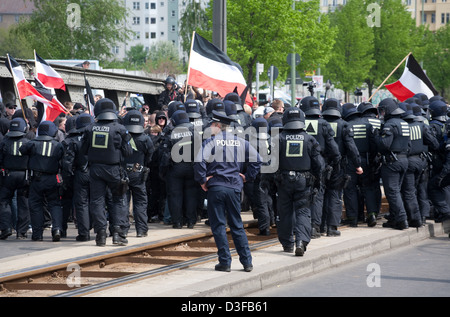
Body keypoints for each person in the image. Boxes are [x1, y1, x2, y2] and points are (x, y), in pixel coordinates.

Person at [194, 110, 262, 272]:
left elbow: (199, 162)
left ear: (218, 126)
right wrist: (246, 177)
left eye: (212, 125)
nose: (210, 127)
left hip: (216, 187)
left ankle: (225, 262)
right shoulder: (241, 142)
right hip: (234, 187)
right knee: (237, 225)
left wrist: (203, 180)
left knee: (218, 225)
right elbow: (257, 161)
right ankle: (247, 262)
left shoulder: (210, 142)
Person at [80, 98, 133, 246]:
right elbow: (128, 153)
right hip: (114, 169)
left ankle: (100, 235)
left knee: (97, 201)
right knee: (118, 200)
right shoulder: (120, 129)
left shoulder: (89, 128)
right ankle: (118, 234)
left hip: (95, 169)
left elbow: (82, 150)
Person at [274, 107, 325, 256]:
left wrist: (269, 182)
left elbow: (269, 163)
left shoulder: (278, 138)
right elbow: (319, 164)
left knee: (285, 213)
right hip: (304, 181)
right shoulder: (309, 138)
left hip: (283, 182)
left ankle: (287, 244)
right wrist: (317, 181)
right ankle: (301, 241)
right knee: (303, 211)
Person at [299, 96, 340, 238]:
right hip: (320, 163)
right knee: (318, 195)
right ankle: (315, 228)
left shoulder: (299, 122)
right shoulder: (324, 124)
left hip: (302, 163)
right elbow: (333, 147)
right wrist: (336, 161)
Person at [19, 121, 65, 241]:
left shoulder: (32, 143)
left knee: (36, 206)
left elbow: (22, 150)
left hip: (36, 179)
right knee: (54, 204)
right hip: (52, 178)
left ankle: (37, 234)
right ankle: (57, 229)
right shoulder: (58, 145)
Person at [398, 103, 438, 228]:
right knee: (422, 189)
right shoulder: (422, 126)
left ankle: (414, 218)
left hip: (408, 161)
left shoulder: (403, 126)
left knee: (409, 191)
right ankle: (423, 215)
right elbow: (435, 144)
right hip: (423, 161)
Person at [342, 103, 379, 227]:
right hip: (366, 160)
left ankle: (353, 218)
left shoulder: (346, 126)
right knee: (368, 188)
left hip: (350, 161)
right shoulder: (368, 126)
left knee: (350, 190)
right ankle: (371, 214)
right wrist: (372, 160)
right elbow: (374, 145)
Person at [160, 110, 199, 228]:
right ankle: (191, 221)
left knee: (175, 195)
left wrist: (163, 171)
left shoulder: (171, 132)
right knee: (191, 195)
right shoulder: (194, 131)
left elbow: (165, 154)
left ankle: (177, 222)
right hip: (191, 166)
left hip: (175, 167)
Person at [375, 98, 410, 230]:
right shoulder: (404, 123)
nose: (382, 113)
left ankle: (402, 220)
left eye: (383, 110)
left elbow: (384, 144)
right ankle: (394, 219)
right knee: (397, 191)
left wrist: (377, 136)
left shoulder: (390, 124)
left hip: (392, 162)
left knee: (392, 192)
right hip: (403, 159)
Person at [62, 113, 94, 241]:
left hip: (80, 173)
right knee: (97, 201)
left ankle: (84, 232)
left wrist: (68, 177)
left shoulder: (73, 140)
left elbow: (67, 162)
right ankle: (101, 229)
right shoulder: (96, 136)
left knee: (81, 204)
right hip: (96, 172)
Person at [122, 110, 154, 236]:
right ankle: (141, 230)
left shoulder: (122, 137)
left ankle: (123, 230)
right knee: (140, 202)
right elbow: (150, 155)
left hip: (123, 172)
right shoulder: (145, 138)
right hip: (139, 172)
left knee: (123, 202)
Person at [0, 118, 30, 239]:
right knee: (23, 202)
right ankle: (22, 231)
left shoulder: (4, 141)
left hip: (8, 175)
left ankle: (6, 228)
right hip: (24, 175)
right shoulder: (28, 142)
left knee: (4, 201)